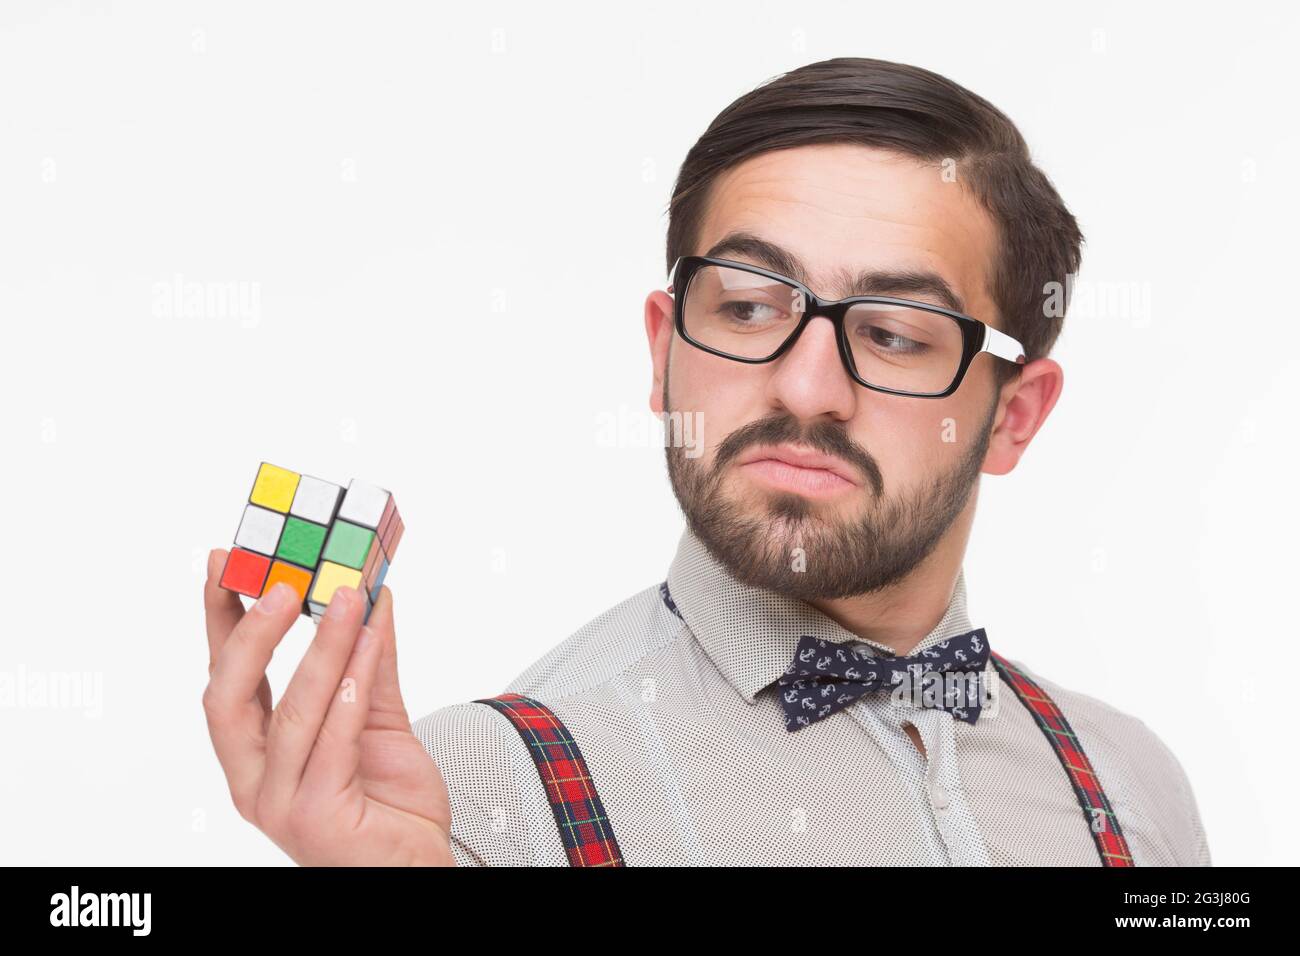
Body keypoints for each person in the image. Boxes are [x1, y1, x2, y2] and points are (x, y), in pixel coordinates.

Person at [202, 56, 1210, 866]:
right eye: (746, 307)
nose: (806, 387)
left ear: (1012, 416)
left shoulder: (1133, 785)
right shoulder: (467, 790)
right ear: (664, 349)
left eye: (897, 333)